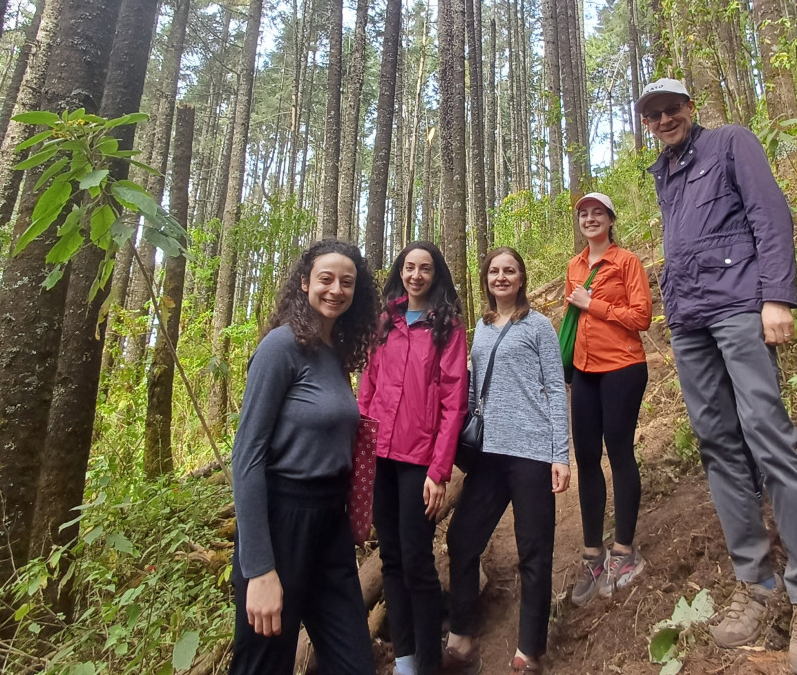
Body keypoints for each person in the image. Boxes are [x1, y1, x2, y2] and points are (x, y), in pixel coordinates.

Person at [638, 77, 797, 675]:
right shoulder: (664, 173)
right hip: (690, 322)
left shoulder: (730, 142)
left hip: (739, 308)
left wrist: (777, 297)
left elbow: (769, 215)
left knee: (768, 436)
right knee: (718, 445)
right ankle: (755, 582)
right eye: (653, 114)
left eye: (672, 109)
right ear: (646, 123)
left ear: (689, 108)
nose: (664, 119)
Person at [229, 239, 380, 675]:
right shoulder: (280, 347)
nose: (336, 290)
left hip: (330, 524)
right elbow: (247, 457)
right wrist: (260, 569)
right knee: (264, 663)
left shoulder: (335, 353)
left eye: (347, 282)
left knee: (354, 662)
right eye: (326, 279)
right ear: (304, 283)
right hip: (283, 521)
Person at [444, 247, 571, 675]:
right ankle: (462, 639)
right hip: (488, 455)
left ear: (521, 279)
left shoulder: (539, 326)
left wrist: (560, 455)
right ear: (486, 279)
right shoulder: (480, 327)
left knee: (534, 549)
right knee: (462, 540)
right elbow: (471, 387)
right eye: (494, 271)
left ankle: (529, 651)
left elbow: (556, 389)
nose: (501, 277)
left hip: (531, 452)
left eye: (510, 271)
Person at [358, 242, 469, 675]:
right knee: (391, 558)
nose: (416, 275)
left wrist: (439, 471)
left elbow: (453, 403)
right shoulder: (385, 320)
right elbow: (368, 388)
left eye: (425, 268)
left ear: (436, 274)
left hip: (420, 459)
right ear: (400, 272)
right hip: (379, 456)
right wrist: (361, 454)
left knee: (417, 560)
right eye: (409, 267)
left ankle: (428, 662)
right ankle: (404, 660)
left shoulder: (447, 326)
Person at [565, 192, 653, 605]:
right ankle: (593, 556)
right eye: (584, 214)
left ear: (611, 219)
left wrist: (594, 305)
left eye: (597, 213)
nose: (589, 219)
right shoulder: (575, 266)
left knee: (619, 453)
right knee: (585, 458)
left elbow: (642, 316)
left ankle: (624, 552)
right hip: (584, 371)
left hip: (622, 367)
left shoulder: (627, 262)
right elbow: (574, 319)